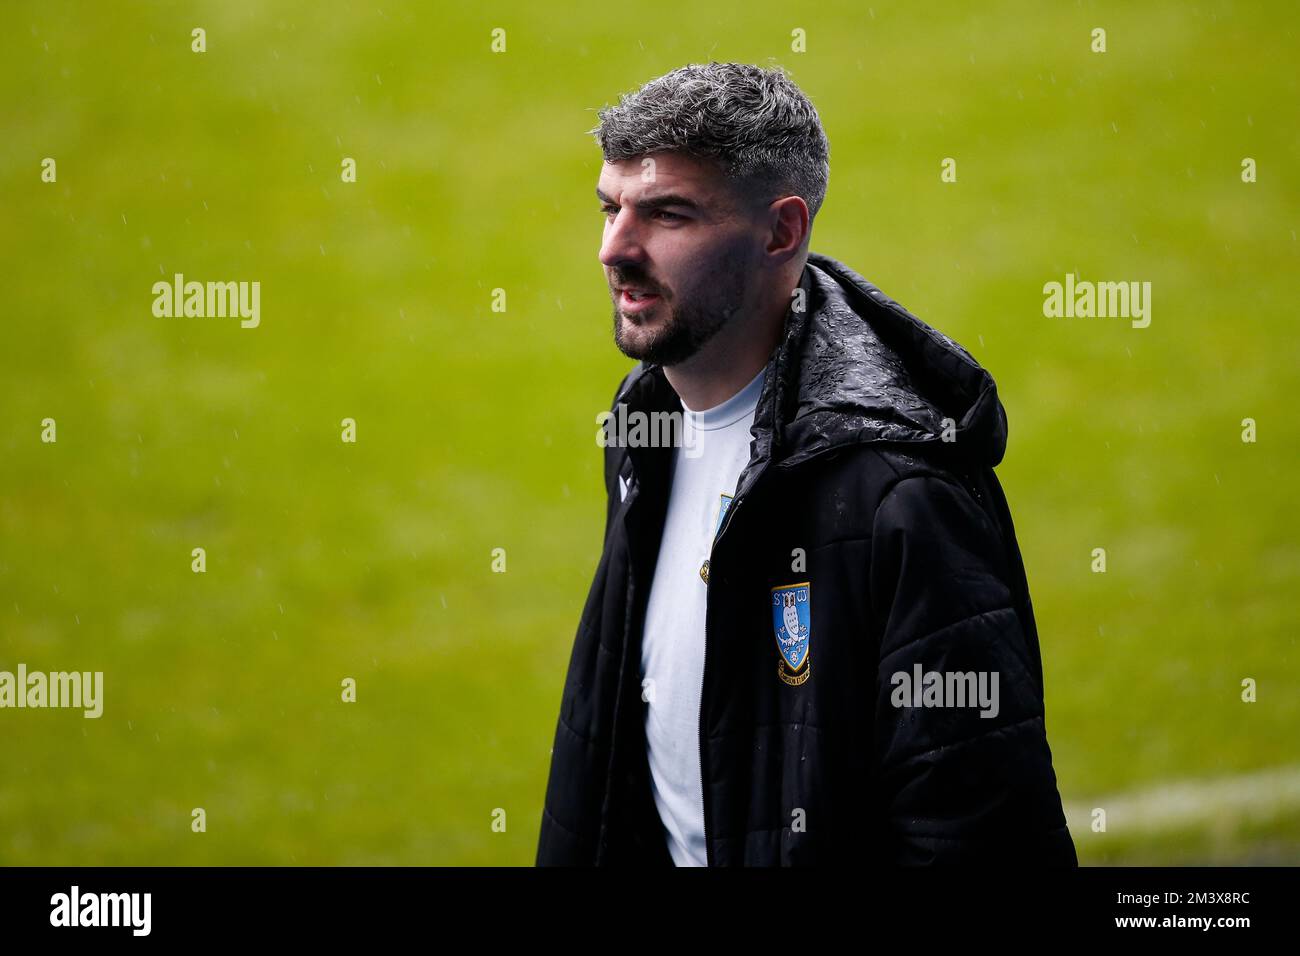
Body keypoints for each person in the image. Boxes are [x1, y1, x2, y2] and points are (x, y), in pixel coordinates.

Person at [536, 61, 1077, 866]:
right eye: (610, 209)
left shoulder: (900, 496)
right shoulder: (642, 424)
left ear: (781, 231)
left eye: (667, 214)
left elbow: (976, 829)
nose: (615, 250)